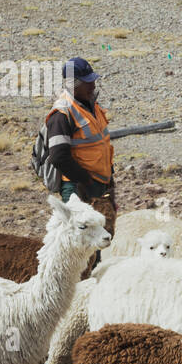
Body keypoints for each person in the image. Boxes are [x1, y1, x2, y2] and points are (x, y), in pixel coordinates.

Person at [45, 57, 116, 232]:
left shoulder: (91, 105)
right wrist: (85, 181)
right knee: (82, 241)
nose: (93, 85)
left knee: (100, 238)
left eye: (93, 80)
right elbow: (58, 156)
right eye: (87, 82)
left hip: (99, 183)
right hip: (78, 188)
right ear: (72, 85)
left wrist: (109, 179)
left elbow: (101, 145)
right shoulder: (62, 113)